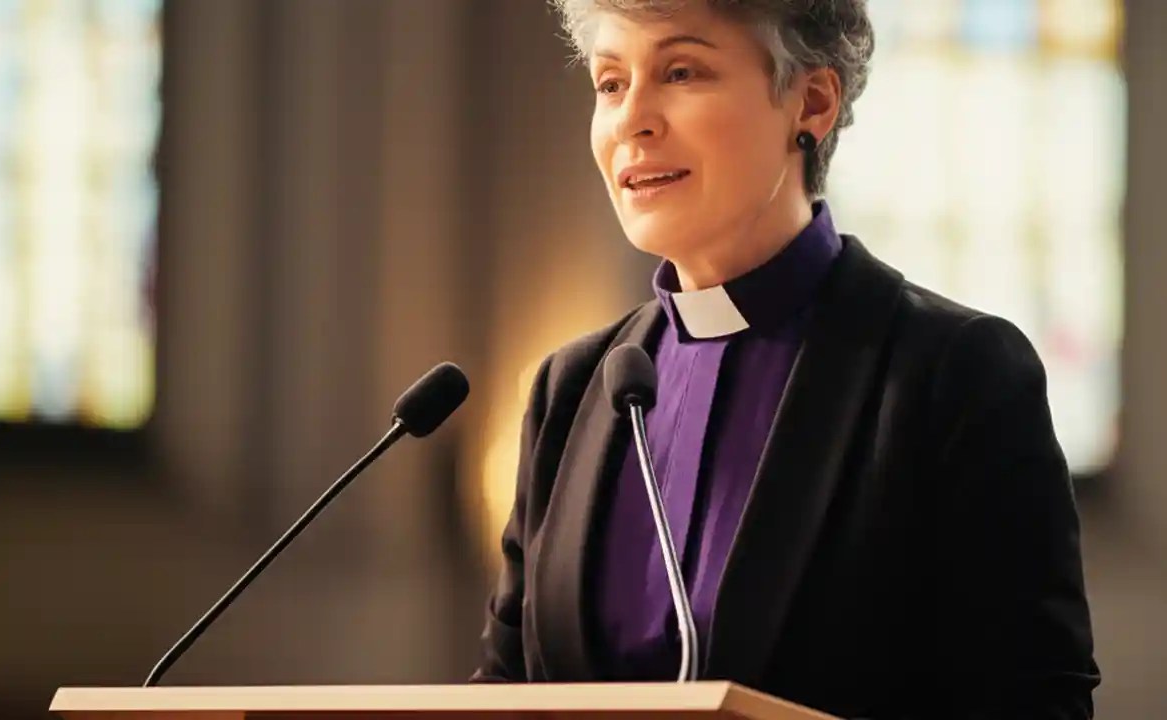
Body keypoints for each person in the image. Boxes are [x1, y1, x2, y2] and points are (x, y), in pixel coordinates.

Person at [471, 1, 1100, 718]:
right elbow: (507, 688)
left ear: (813, 100)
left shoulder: (952, 375)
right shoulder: (571, 388)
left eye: (681, 71)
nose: (632, 120)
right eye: (610, 83)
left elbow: (1032, 703)